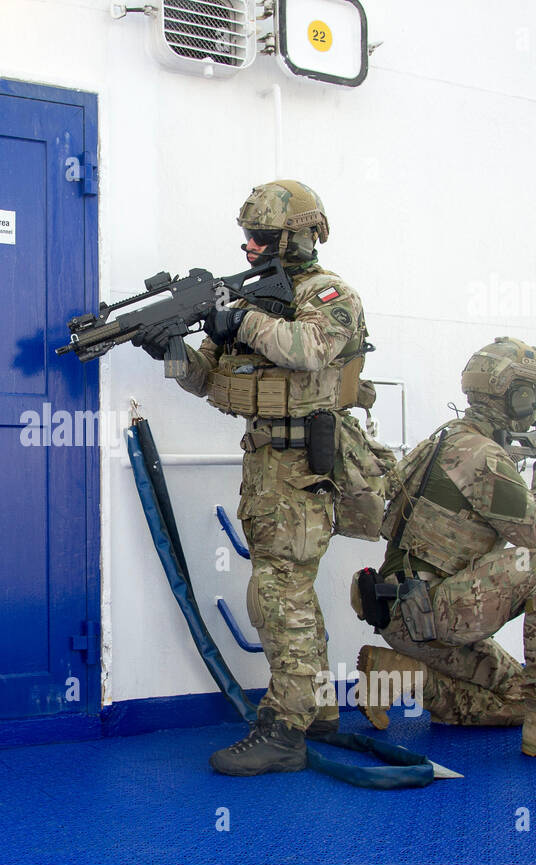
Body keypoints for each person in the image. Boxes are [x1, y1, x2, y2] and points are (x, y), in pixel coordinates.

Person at [134, 180, 373, 775]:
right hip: (265, 466)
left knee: (275, 592)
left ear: (299, 235)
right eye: (247, 237)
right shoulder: (254, 304)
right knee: (289, 589)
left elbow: (311, 350)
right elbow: (205, 379)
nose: (250, 247)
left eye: (262, 237)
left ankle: (284, 731)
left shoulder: (327, 295)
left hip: (303, 469)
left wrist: (232, 317)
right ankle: (315, 710)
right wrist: (168, 349)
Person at [354, 337, 536, 765]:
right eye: (532, 394)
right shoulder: (481, 455)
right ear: (513, 393)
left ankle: (404, 677)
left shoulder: (451, 438)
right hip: (433, 612)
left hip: (408, 613)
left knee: (521, 699)